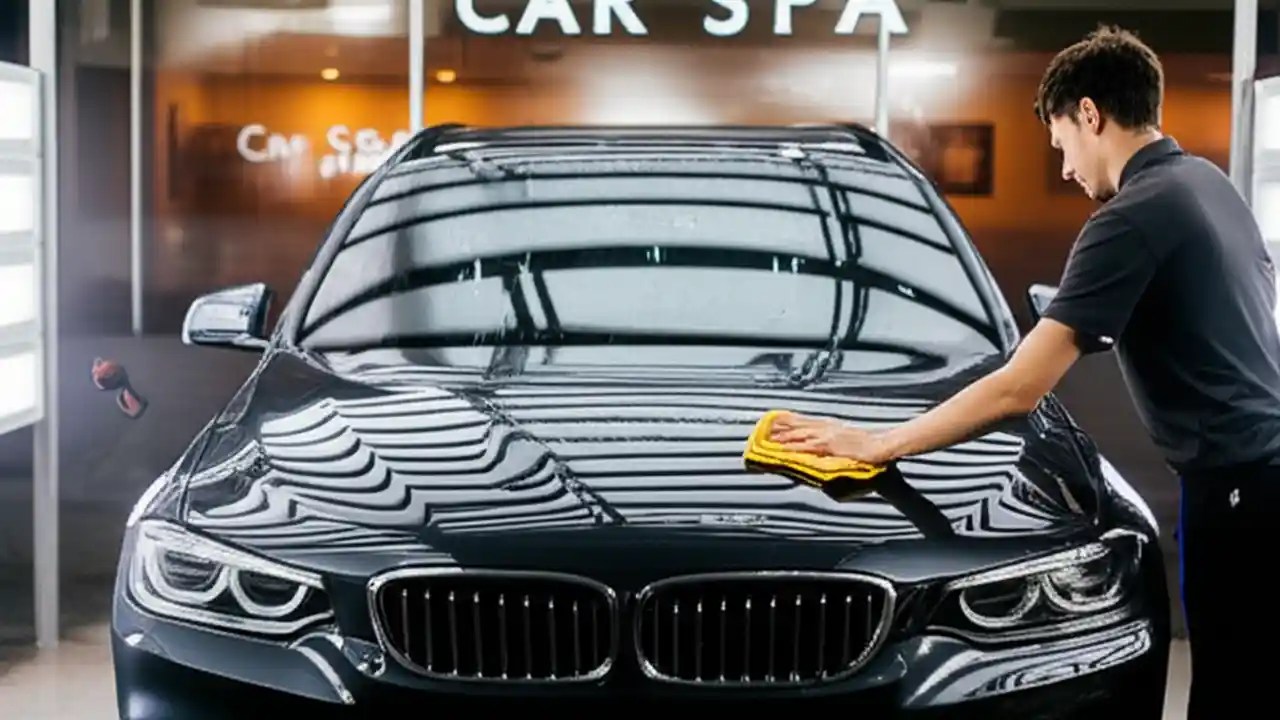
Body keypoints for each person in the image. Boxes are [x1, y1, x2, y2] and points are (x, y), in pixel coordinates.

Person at [769, 25, 1280, 718]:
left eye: (1060, 142)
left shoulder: (1131, 217)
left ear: (1090, 115)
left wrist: (879, 442)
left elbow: (1019, 388)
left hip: (1239, 495)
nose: (1065, 168)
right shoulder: (1207, 184)